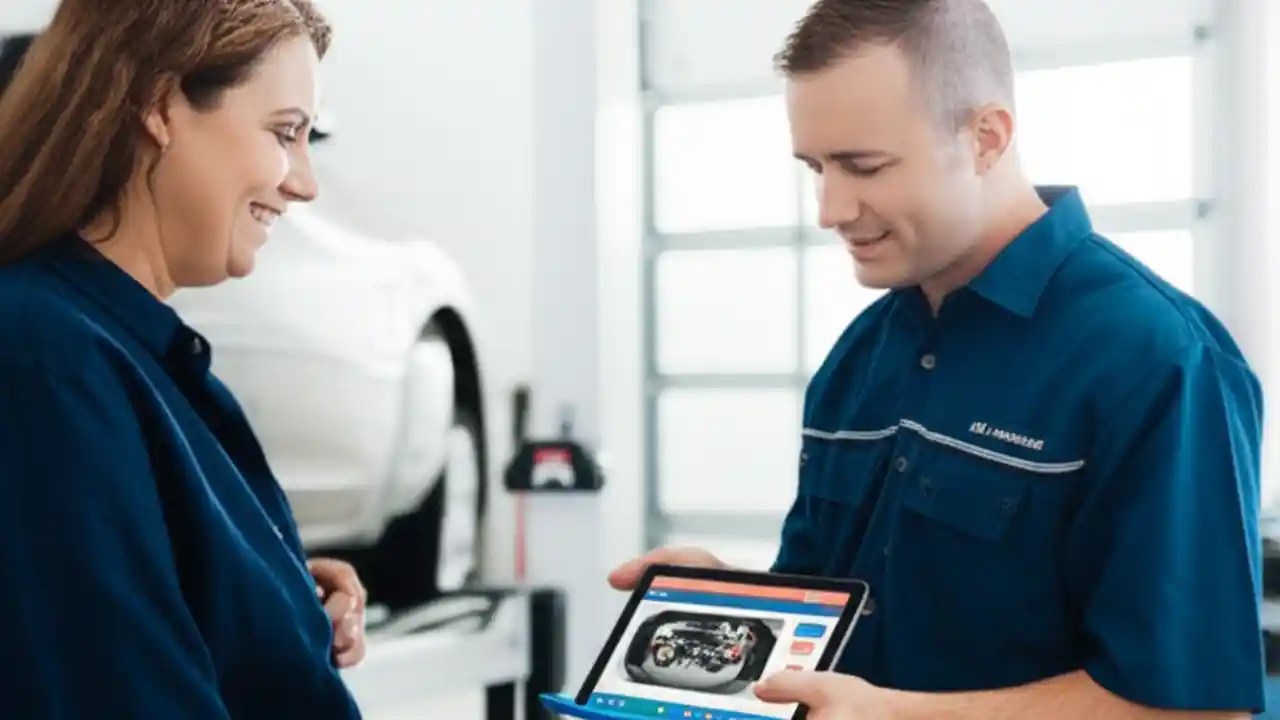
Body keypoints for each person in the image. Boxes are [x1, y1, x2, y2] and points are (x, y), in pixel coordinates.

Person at [610, 0, 1266, 717]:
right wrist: (733, 603)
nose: (830, 209)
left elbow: (1197, 709)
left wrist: (898, 715)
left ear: (986, 138)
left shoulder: (1157, 361)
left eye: (864, 166)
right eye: (816, 167)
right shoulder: (860, 356)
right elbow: (831, 630)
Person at [0, 2, 369, 717]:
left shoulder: (127, 353)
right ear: (159, 107)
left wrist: (278, 594)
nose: (305, 182)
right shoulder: (47, 361)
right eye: (285, 132)